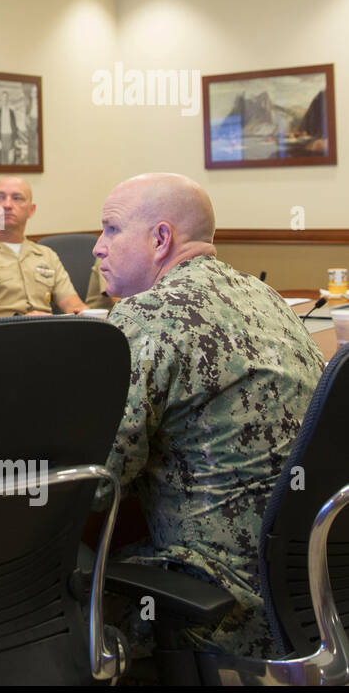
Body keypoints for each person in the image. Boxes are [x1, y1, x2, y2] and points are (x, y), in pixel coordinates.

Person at [93, 172, 324, 656]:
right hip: (312, 587)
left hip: (222, 599)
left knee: (59, 580)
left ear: (161, 239)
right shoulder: (263, 295)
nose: (97, 247)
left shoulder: (149, 314)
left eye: (111, 229)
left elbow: (96, 484)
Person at [0, 176, 85, 317]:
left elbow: (73, 305)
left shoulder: (46, 255)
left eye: (17, 198)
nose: (7, 205)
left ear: (31, 210)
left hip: (47, 327)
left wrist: (88, 315)